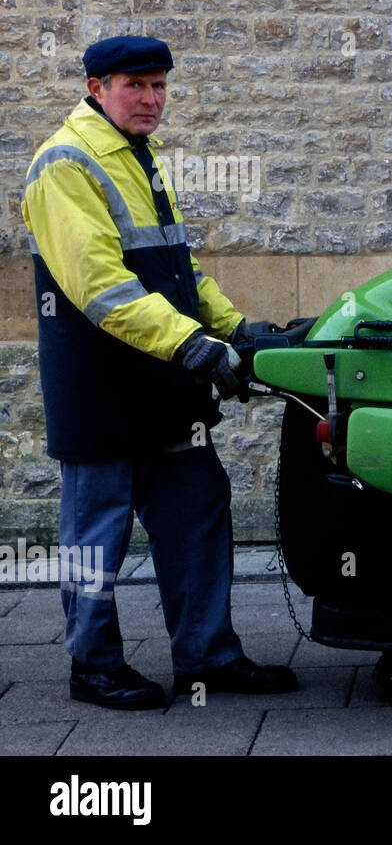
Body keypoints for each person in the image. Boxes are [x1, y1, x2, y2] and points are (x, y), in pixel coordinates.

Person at [21, 35, 297, 709]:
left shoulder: (140, 159)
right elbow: (101, 286)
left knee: (197, 514)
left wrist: (233, 328)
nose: (151, 99)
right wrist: (193, 346)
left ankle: (209, 656)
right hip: (104, 390)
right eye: (134, 84)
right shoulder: (67, 162)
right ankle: (94, 665)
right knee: (97, 535)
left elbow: (178, 271)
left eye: (159, 86)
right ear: (96, 87)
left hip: (166, 386)